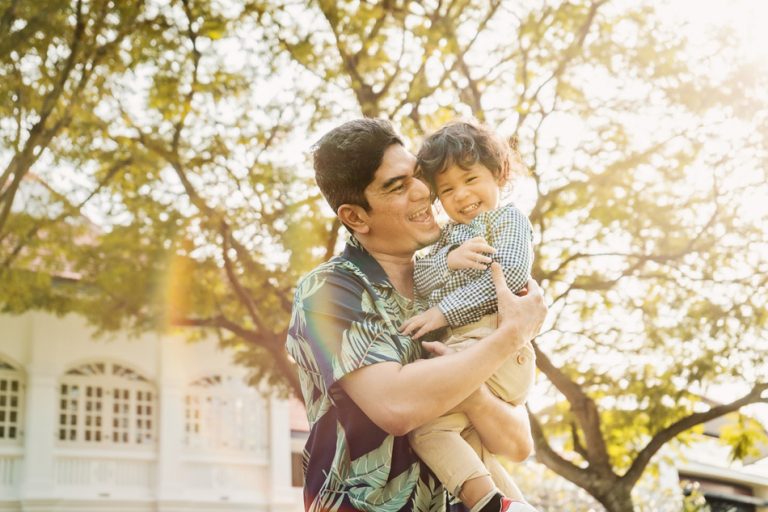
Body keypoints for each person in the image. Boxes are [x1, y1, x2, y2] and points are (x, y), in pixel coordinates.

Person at [285, 118, 547, 512]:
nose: (425, 192)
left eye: (418, 176)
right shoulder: (329, 291)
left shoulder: (452, 285)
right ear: (356, 217)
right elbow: (397, 408)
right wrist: (510, 335)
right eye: (398, 186)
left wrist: (474, 396)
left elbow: (517, 444)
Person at [400, 121, 537, 511]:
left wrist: (444, 311)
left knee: (426, 426)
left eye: (470, 179)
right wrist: (448, 261)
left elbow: (508, 276)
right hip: (478, 349)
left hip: (493, 343)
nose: (461, 195)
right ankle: (516, 505)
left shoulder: (507, 220)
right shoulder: (445, 239)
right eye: (446, 190)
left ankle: (489, 505)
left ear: (498, 173)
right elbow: (417, 277)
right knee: (471, 443)